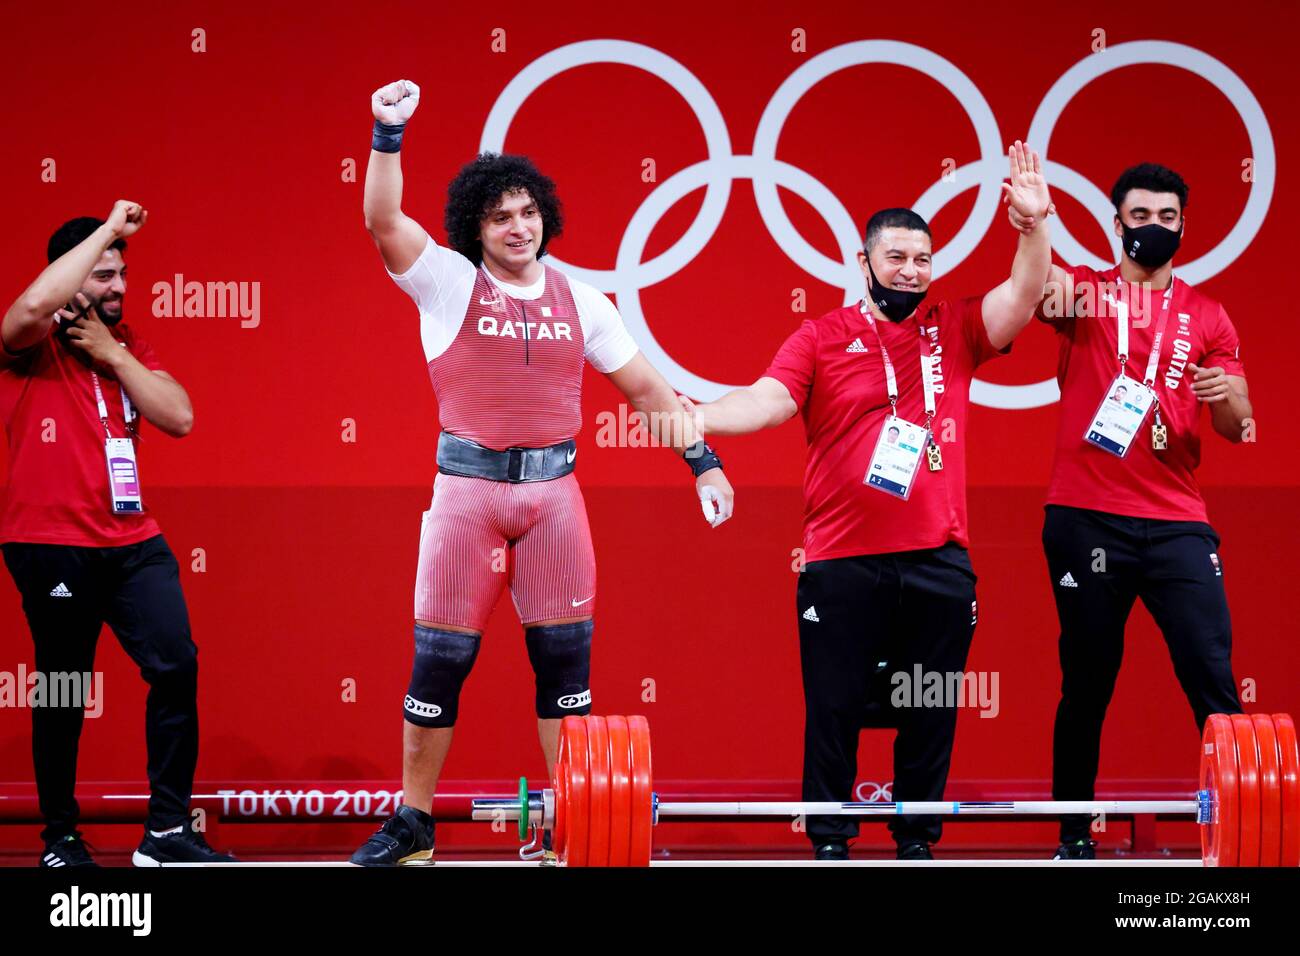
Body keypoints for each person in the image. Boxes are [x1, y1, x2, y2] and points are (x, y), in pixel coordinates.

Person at [350, 79, 735, 865]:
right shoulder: (447, 283)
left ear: (544, 218)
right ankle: (414, 822)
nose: (517, 226)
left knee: (566, 670)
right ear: (476, 228)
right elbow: (383, 219)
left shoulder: (585, 301)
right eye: (500, 216)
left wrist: (703, 463)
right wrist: (388, 134)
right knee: (439, 664)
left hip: (555, 498)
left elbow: (647, 390)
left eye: (528, 213)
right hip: (465, 495)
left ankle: (571, 820)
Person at [680, 143, 1053, 860]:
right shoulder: (822, 336)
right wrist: (700, 414)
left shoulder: (956, 330)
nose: (911, 271)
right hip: (842, 561)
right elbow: (767, 402)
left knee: (930, 708)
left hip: (939, 559)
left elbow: (1024, 297)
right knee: (835, 709)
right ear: (864, 262)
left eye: (922, 259)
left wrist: (1032, 227)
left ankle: (916, 839)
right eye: (896, 259)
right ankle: (829, 841)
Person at [1009, 162, 1252, 860]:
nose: (1153, 227)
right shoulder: (1085, 292)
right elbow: (1036, 290)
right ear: (1117, 223)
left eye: (1167, 217)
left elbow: (1240, 425)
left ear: (1182, 226)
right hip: (1087, 518)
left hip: (1177, 522)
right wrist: (1035, 219)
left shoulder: (1209, 316)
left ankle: (1239, 830)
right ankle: (1072, 836)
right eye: (1139, 215)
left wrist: (1222, 395)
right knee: (1088, 676)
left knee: (1209, 671)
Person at [0, 204, 233, 866]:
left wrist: (111, 353)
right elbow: (28, 307)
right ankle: (60, 837)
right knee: (66, 682)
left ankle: (165, 833)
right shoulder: (28, 345)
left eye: (122, 273)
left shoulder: (126, 343)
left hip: (131, 541)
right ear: (70, 275)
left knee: (176, 663)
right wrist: (106, 229)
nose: (118, 286)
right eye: (103, 274)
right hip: (50, 542)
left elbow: (179, 416)